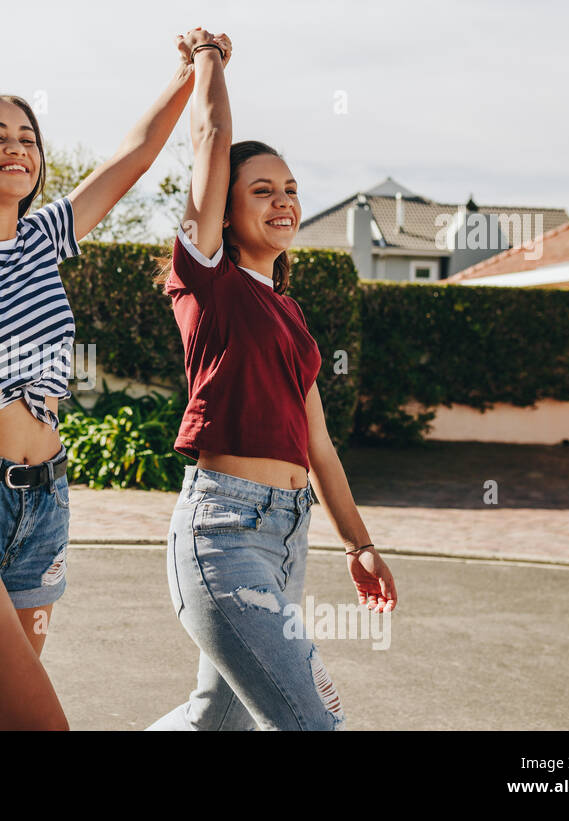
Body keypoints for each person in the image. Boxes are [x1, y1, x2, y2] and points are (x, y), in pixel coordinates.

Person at [0, 32, 208, 730]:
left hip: (44, 506)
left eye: (28, 135)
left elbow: (134, 158)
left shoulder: (44, 236)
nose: (16, 145)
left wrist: (188, 74)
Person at [147, 30, 399, 731]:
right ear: (224, 205)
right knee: (311, 722)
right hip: (223, 531)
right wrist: (210, 62)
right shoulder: (207, 282)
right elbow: (209, 138)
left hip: (286, 538)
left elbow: (317, 443)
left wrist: (359, 542)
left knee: (213, 719)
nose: (283, 201)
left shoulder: (287, 314)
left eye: (290, 189)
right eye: (262, 190)